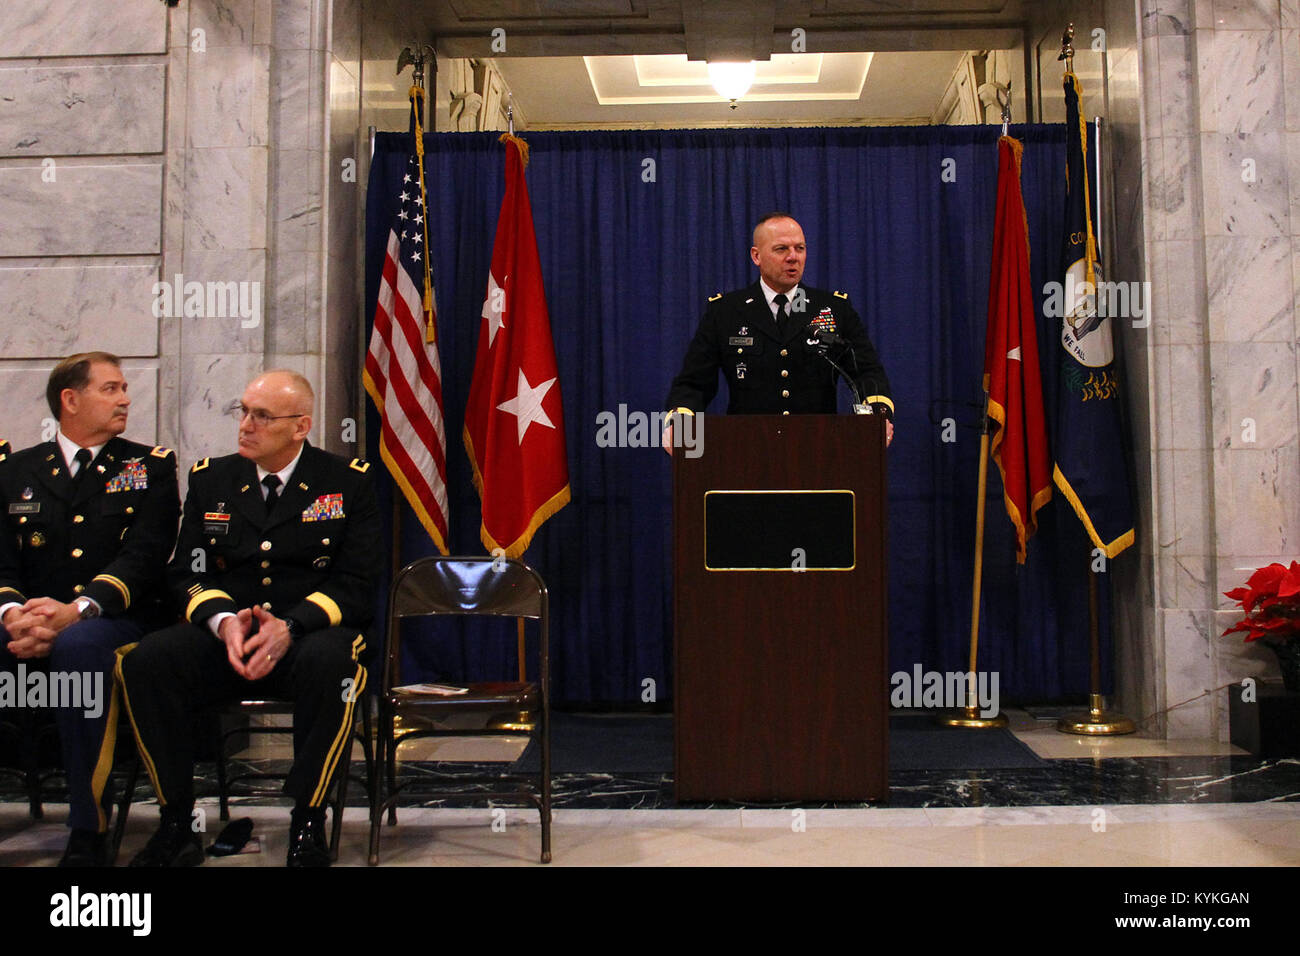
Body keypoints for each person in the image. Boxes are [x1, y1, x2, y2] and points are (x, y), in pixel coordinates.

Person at [117, 370, 380, 867]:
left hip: (310, 635)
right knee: (148, 662)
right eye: (244, 411)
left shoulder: (347, 482)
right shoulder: (210, 479)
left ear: (301, 426)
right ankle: (177, 820)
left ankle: (308, 818)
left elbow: (357, 584)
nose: (246, 425)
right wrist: (222, 621)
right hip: (231, 633)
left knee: (336, 666)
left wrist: (292, 626)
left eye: (262, 416)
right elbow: (185, 572)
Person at [0, 352, 180, 866]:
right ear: (70, 400)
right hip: (31, 620)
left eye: (124, 388)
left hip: (117, 619)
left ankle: (88, 825)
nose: (125, 398)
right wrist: (15, 616)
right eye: (110, 389)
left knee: (78, 651)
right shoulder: (15, 471)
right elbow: (3, 566)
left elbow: (143, 558)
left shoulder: (149, 467)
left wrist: (75, 612)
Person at [663, 212, 893, 448]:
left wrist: (878, 414)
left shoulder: (833, 309)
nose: (793, 257)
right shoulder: (725, 312)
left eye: (800, 248)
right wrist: (680, 421)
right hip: (748, 450)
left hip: (818, 449)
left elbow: (866, 372)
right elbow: (693, 383)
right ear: (756, 256)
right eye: (781, 249)